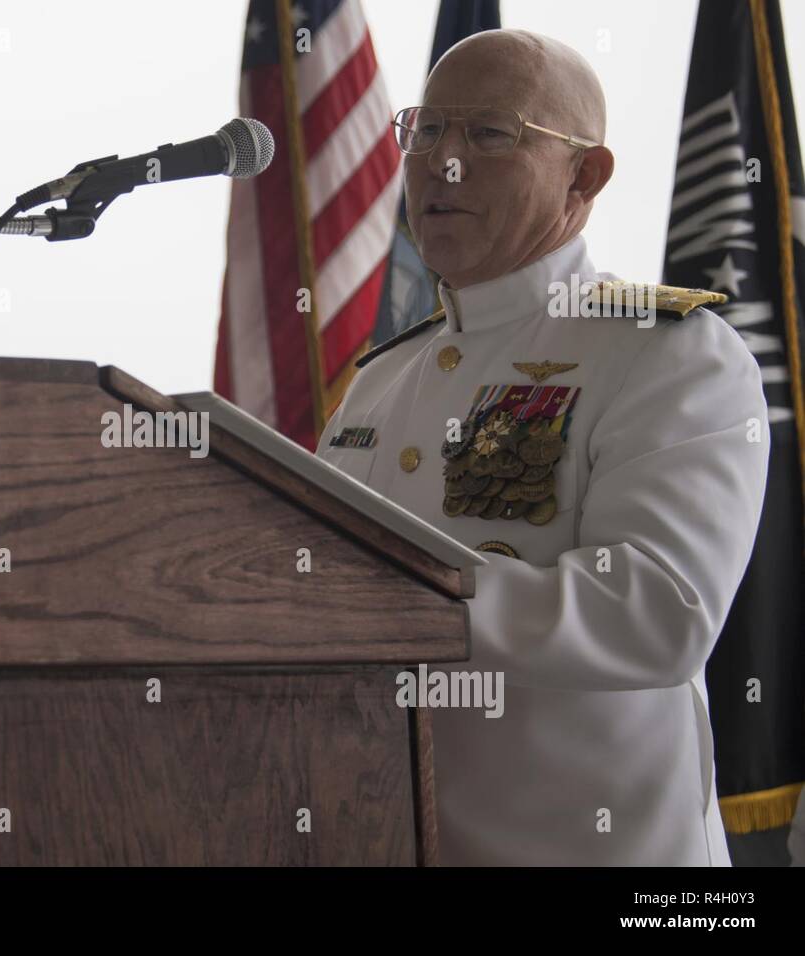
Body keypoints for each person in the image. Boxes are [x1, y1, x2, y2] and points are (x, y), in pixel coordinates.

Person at [317, 29, 769, 865]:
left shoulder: (664, 352)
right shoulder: (380, 378)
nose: (442, 163)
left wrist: (384, 598)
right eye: (426, 130)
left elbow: (657, 612)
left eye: (490, 134)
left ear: (585, 175)